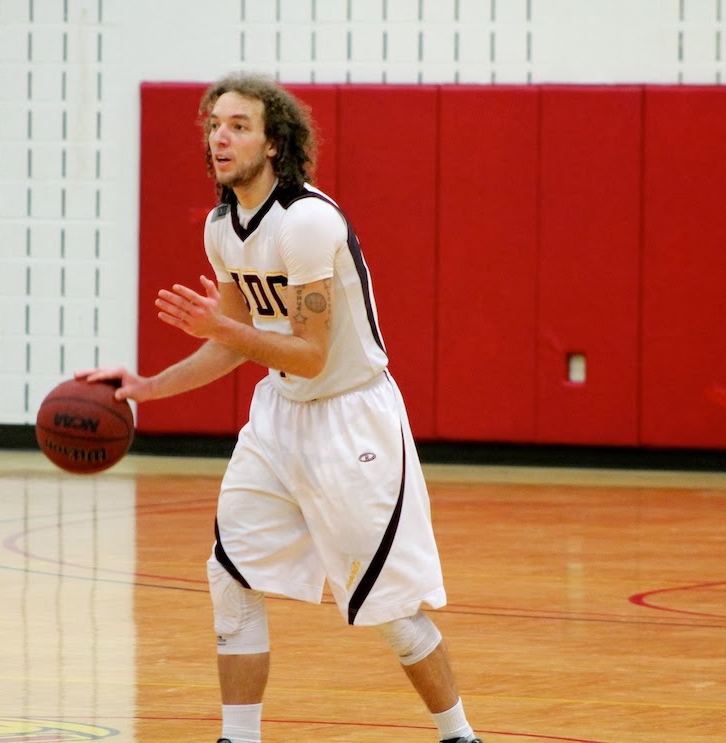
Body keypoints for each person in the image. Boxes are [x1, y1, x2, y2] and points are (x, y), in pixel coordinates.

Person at [78, 72, 483, 743]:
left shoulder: (307, 221)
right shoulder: (221, 228)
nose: (220, 137)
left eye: (238, 125)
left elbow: (310, 352)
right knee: (229, 568)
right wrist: (145, 386)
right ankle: (238, 737)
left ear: (273, 143)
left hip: (352, 416)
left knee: (389, 607)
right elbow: (237, 345)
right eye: (214, 125)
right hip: (280, 415)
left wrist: (224, 330)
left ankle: (459, 734)